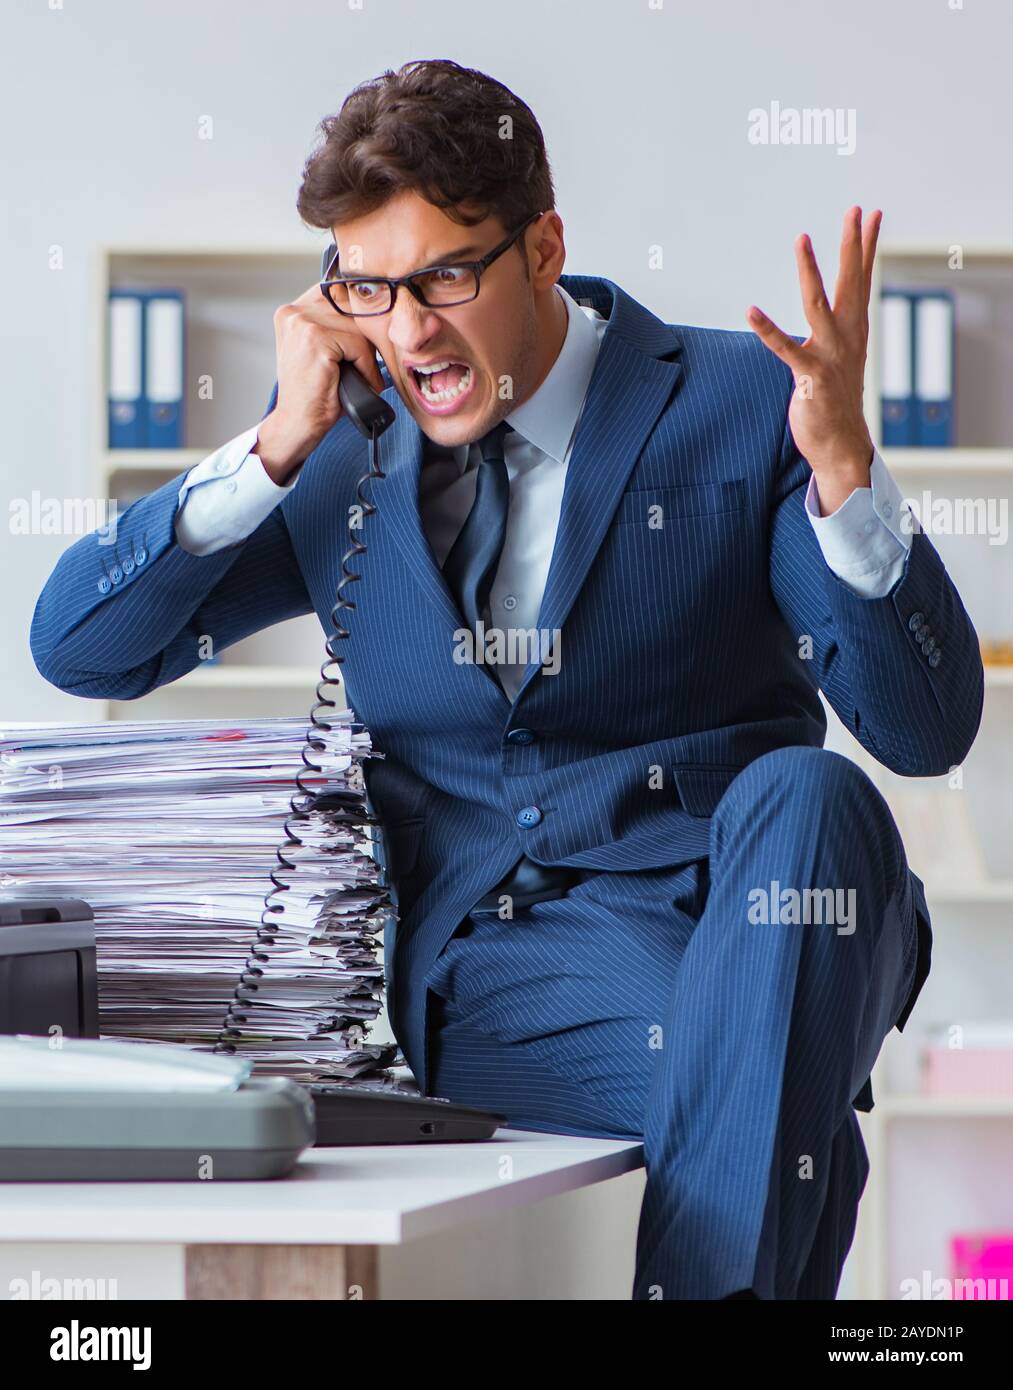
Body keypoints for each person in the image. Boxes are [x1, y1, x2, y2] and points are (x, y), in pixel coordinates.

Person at [31, 59, 983, 1300]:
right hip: (512, 960)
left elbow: (919, 731)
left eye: (443, 275)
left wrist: (849, 480)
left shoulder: (745, 402)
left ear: (542, 247)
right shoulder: (327, 447)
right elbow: (80, 647)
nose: (409, 326)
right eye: (365, 285)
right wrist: (268, 450)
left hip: (777, 902)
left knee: (814, 799)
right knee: (785, 1110)